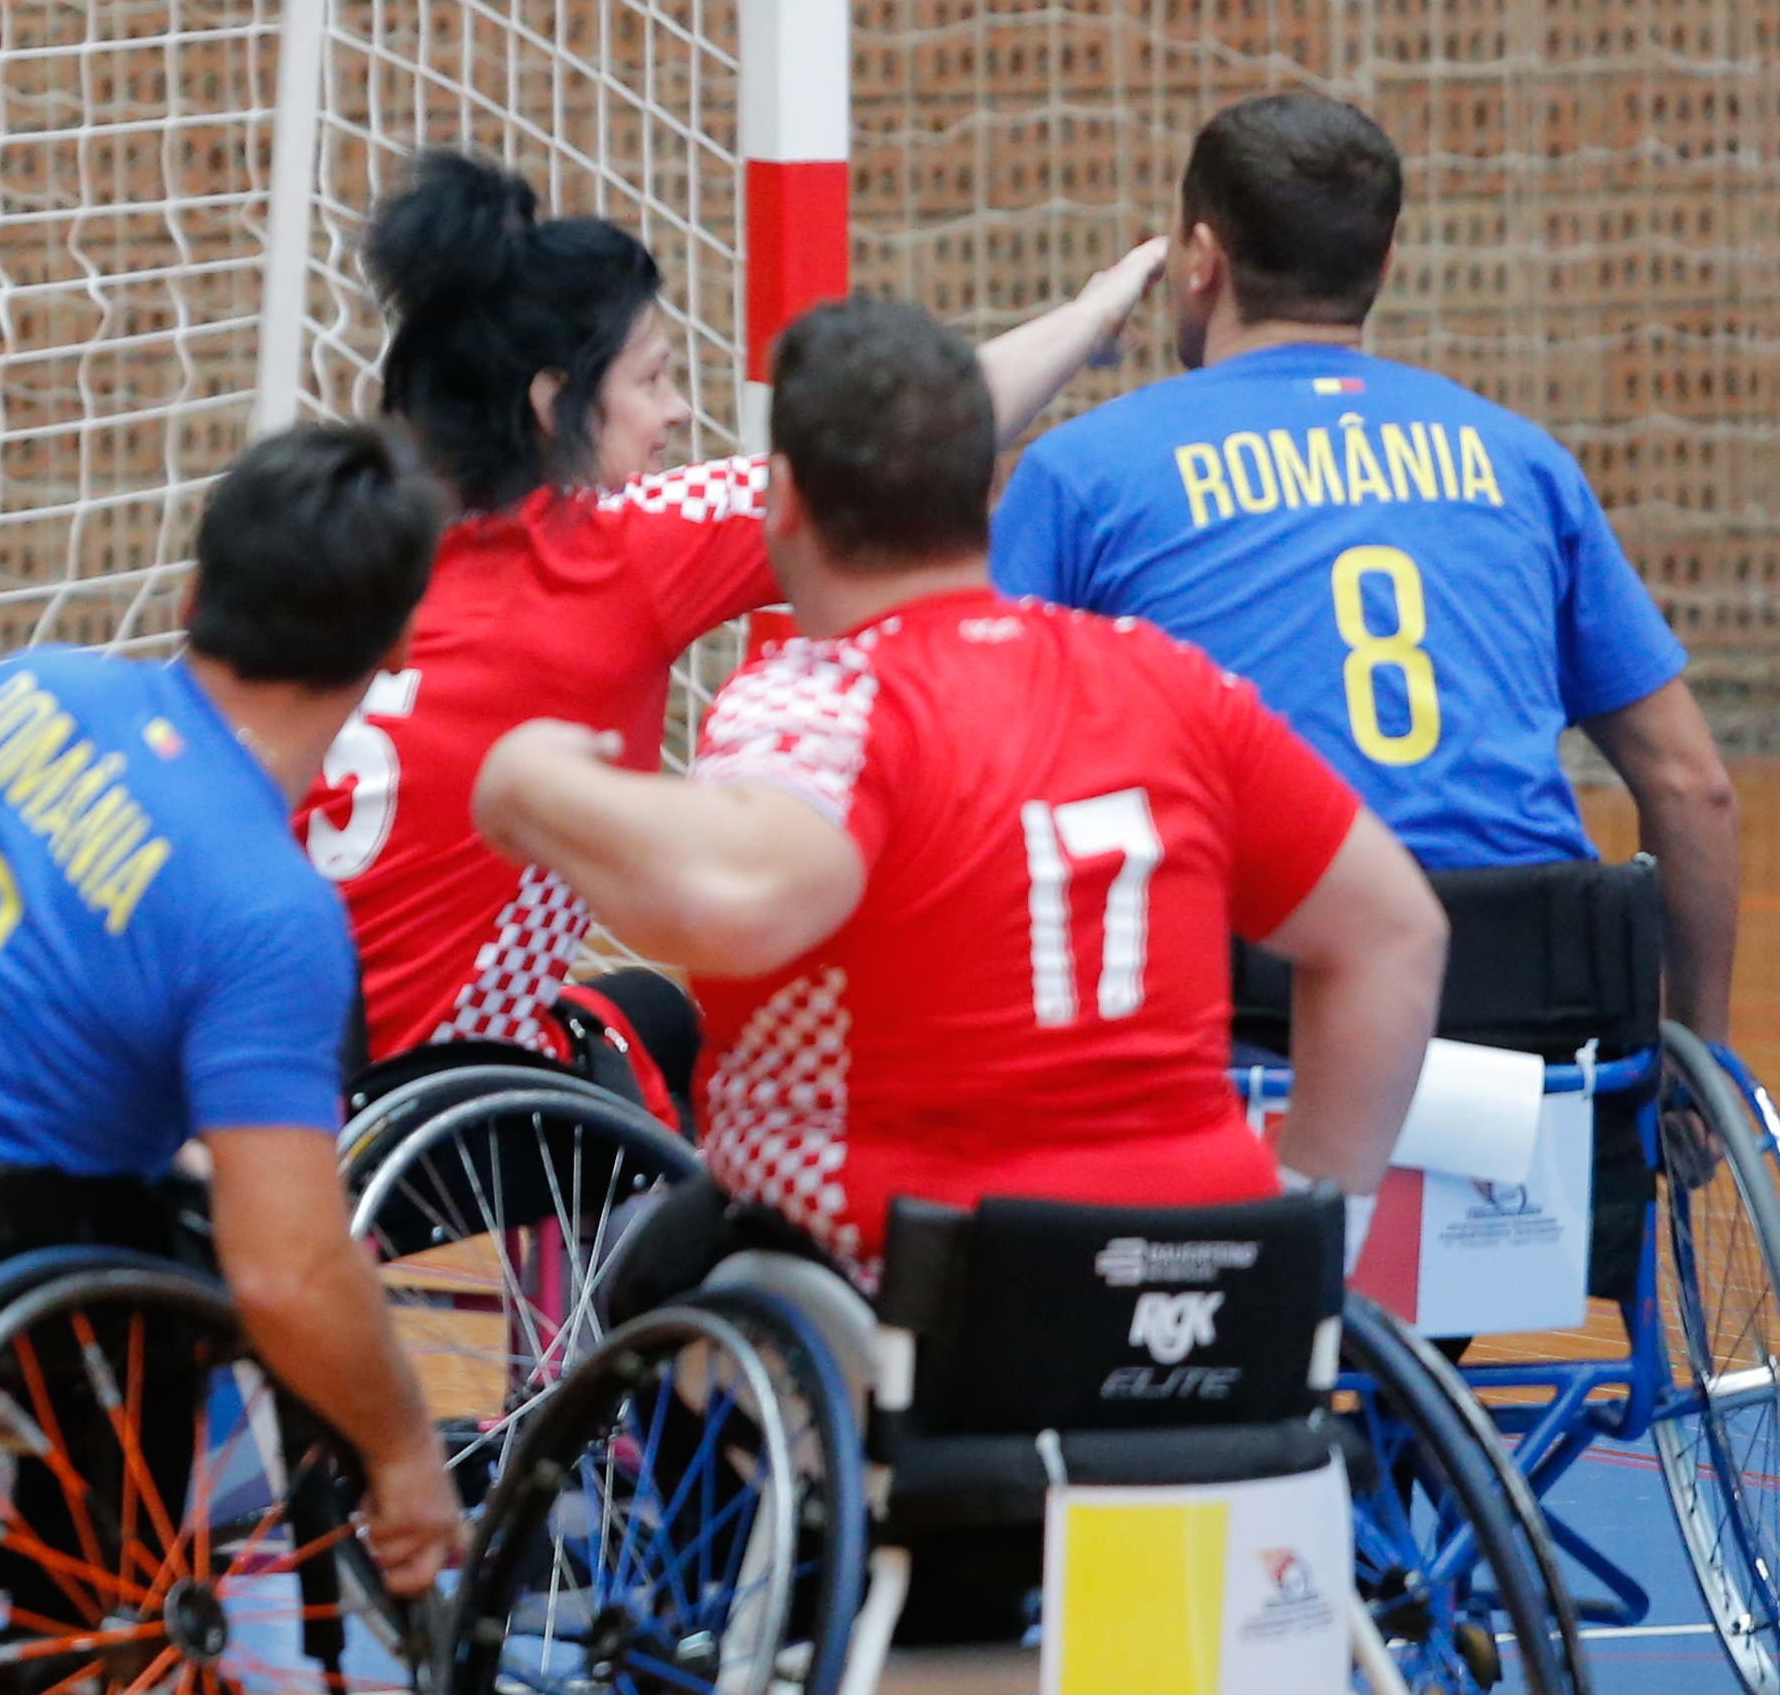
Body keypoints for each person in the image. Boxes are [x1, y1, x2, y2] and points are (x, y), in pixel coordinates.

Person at [475, 295, 1447, 1286]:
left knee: (658, 1269)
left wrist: (533, 782)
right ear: (988, 491)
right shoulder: (1168, 675)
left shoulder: (815, 702)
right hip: (1195, 1273)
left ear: (784, 505)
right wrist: (1316, 1237)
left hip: (921, 1288)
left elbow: (733, 899)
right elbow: (1394, 933)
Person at [0, 420, 471, 1597]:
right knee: (211, 1264)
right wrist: (403, 1446)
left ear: (197, 586)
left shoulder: (26, 688)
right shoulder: (269, 910)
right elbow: (288, 1274)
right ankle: (92, 1650)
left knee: (165, 1204)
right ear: (394, 643)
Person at [311, 149, 1166, 1118]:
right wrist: (1095, 310)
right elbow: (905, 443)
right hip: (436, 1104)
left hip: (272, 1078)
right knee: (692, 1023)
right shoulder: (608, 557)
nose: (679, 410)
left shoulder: (345, 541)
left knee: (622, 1000)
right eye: (654, 377)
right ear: (553, 403)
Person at [994, 94, 1742, 1045]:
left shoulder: (1082, 471)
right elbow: (1691, 784)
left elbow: (971, 764)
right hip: (1527, 994)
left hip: (1247, 1006)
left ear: (1198, 260)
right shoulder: (1522, 460)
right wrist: (1699, 1049)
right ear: (1382, 264)